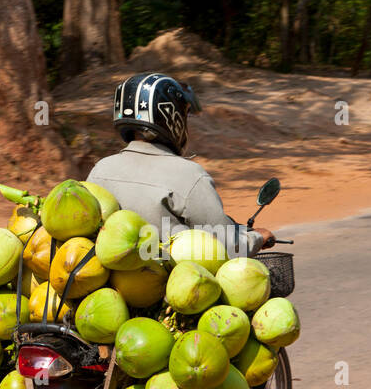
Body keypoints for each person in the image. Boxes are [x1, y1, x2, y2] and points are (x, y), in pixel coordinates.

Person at [87, 72, 274, 257]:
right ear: (170, 116)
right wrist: (257, 237)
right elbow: (228, 245)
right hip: (173, 281)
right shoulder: (190, 175)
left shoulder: (100, 170)